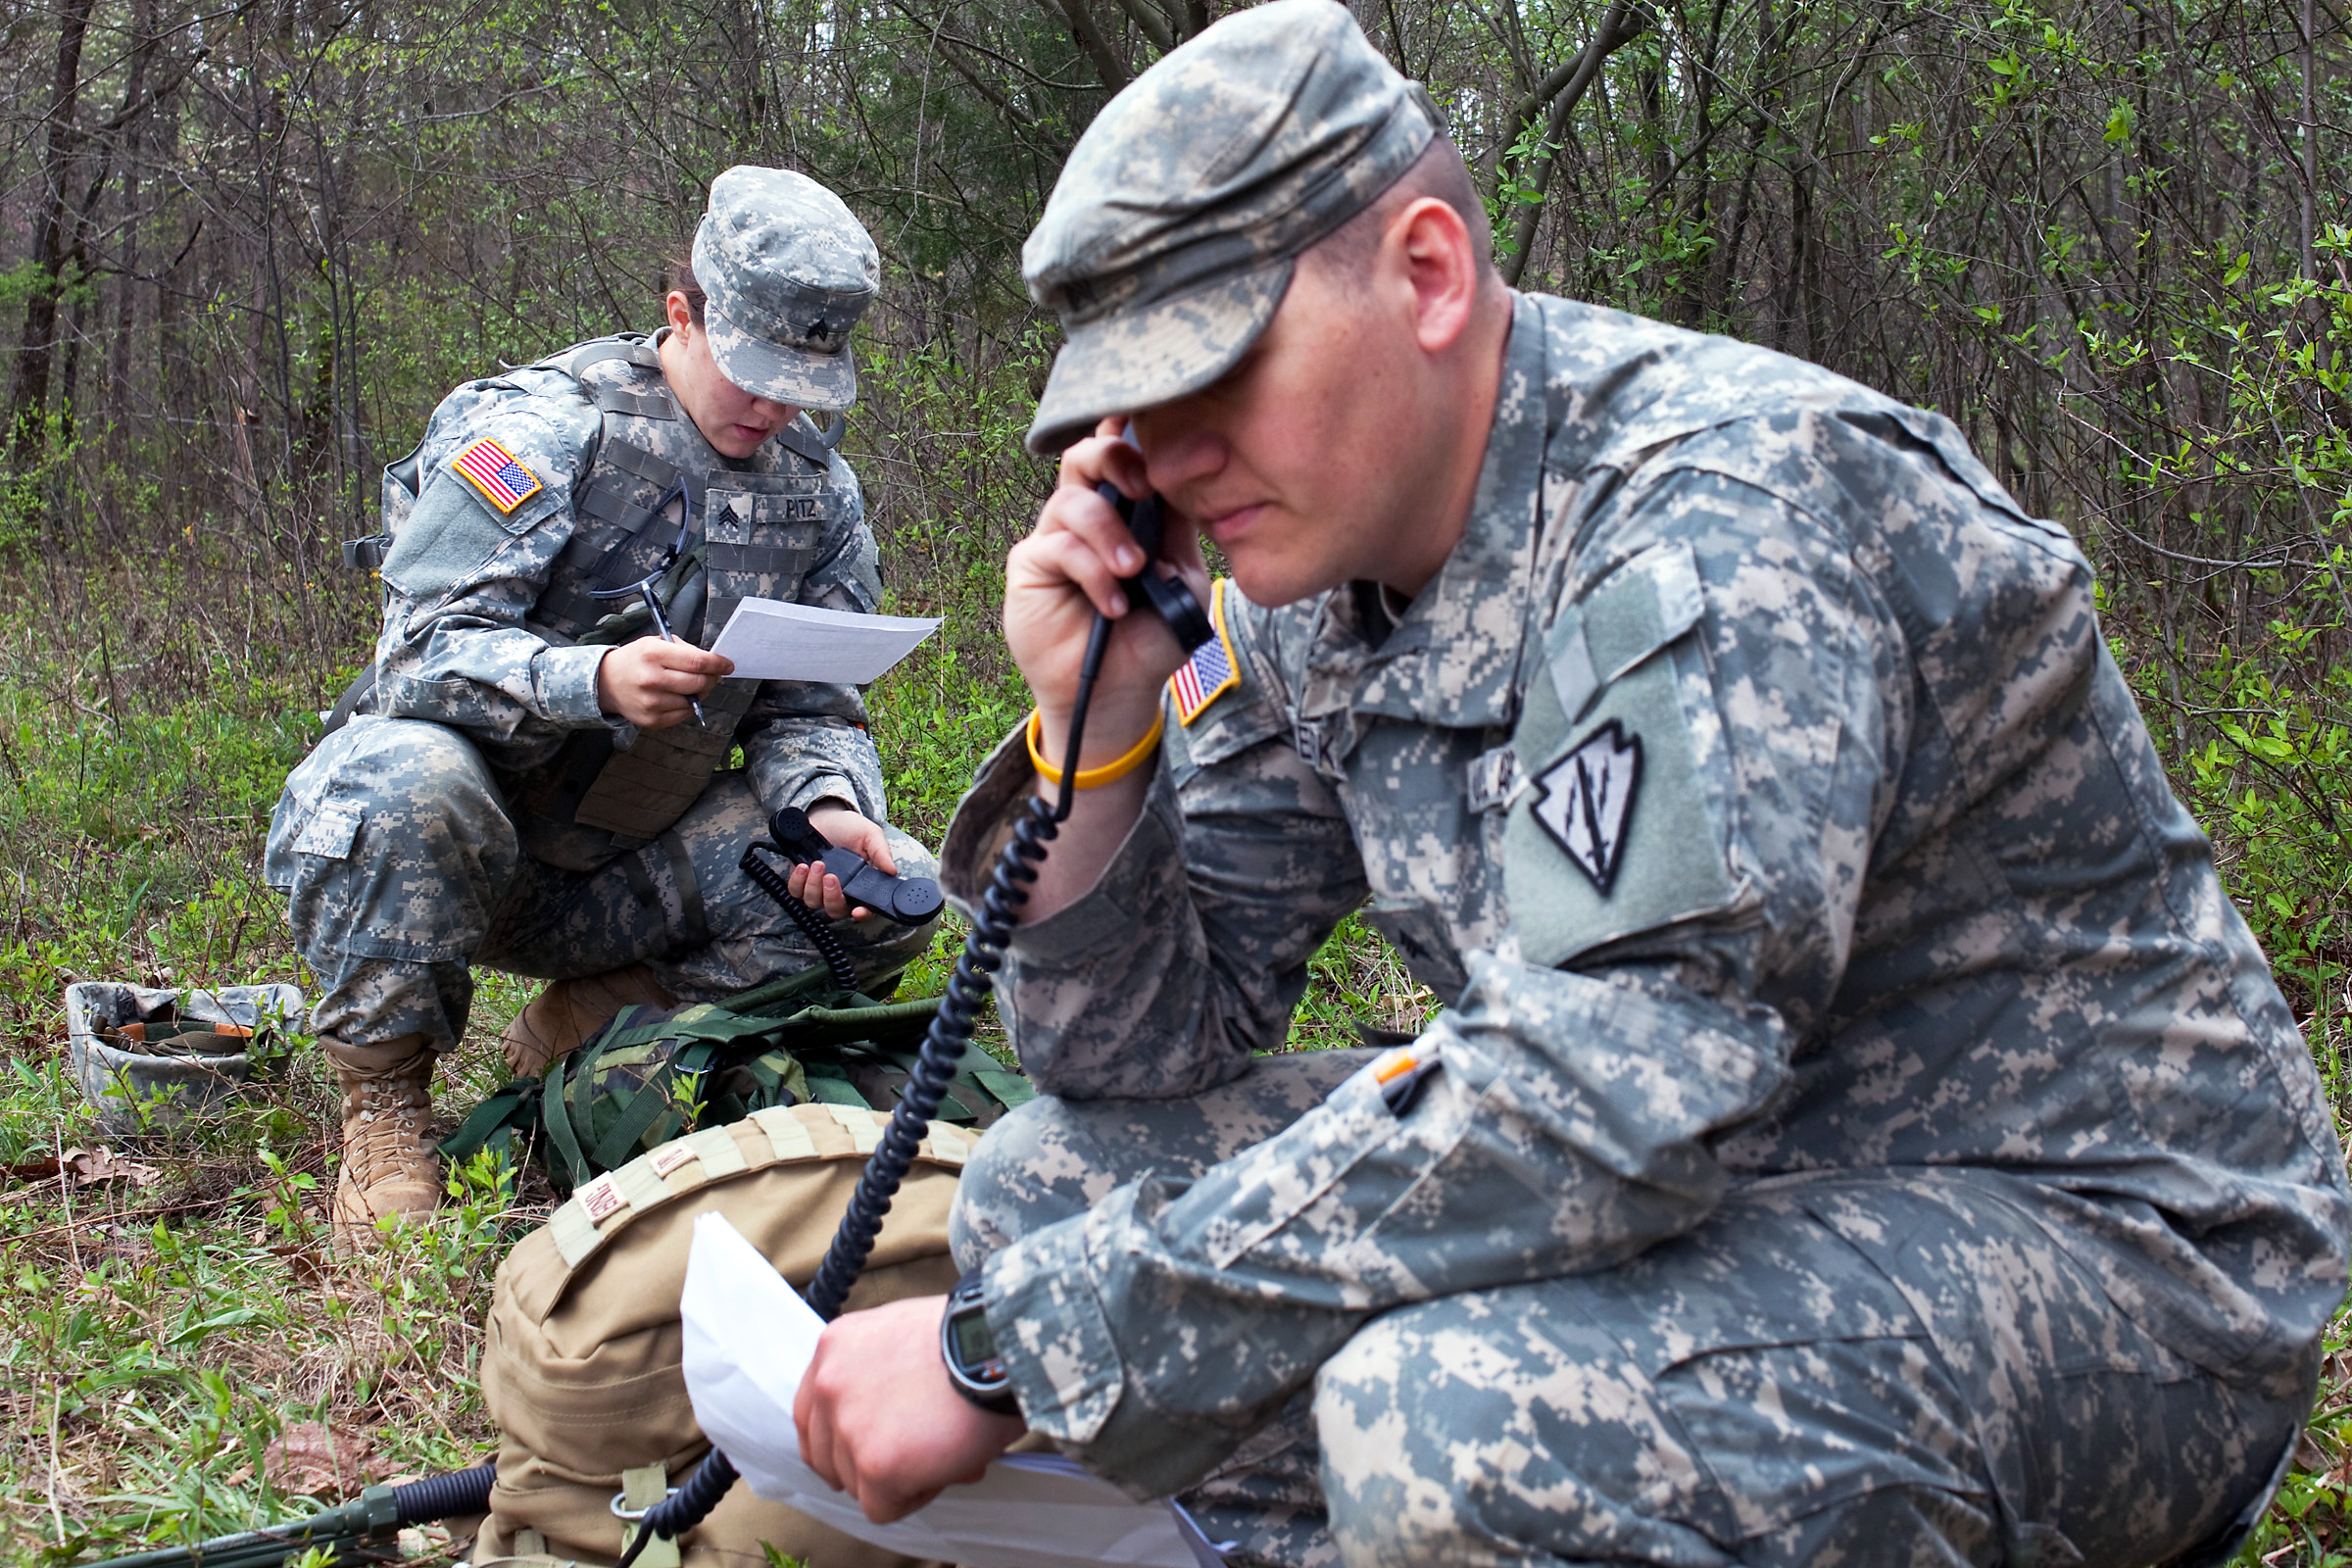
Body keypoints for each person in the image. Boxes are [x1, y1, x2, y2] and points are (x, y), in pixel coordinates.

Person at [786, 6, 2352, 1566]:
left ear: (1428, 274)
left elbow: (1613, 1096)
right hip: (1727, 1196)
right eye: (1131, 407)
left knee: (1460, 1421)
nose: (1170, 452)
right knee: (1047, 1191)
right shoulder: (1300, 587)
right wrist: (1102, 727)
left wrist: (1017, 1355)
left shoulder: (1723, 515)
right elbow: (1134, 1052)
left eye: (1219, 369)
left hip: (2110, 1266)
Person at [266, 166, 939, 1244]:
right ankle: (386, 1109)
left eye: (803, 383)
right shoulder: (549, 427)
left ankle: (585, 1026)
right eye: (754, 371)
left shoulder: (816, 491)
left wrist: (823, 807)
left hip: (630, 862)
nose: (775, 406)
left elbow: (812, 702)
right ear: (684, 314)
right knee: (398, 775)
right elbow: (418, 654)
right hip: (464, 847)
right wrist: (591, 680)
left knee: (892, 887)